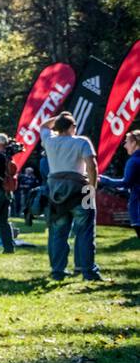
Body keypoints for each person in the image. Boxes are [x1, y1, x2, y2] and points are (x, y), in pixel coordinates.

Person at [40, 112, 103, 281]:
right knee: (85, 231)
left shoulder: (49, 141)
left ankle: (58, 271)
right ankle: (88, 270)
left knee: (58, 233)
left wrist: (59, 118)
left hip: (56, 192)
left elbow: (44, 126)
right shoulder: (81, 141)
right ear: (71, 127)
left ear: (57, 127)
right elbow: (92, 166)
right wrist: (92, 188)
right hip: (80, 190)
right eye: (74, 126)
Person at [99, 130, 140, 241]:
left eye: (126, 142)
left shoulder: (133, 161)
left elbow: (125, 183)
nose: (125, 146)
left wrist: (102, 179)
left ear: (134, 143)